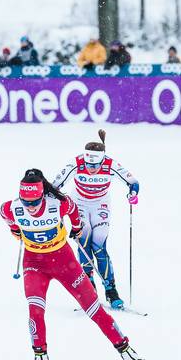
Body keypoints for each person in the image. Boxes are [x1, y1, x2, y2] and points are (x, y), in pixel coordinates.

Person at [0, 168, 155, 360]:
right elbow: (8, 219)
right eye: (26, 203)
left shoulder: (59, 203)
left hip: (64, 263)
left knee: (94, 310)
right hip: (34, 264)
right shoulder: (11, 207)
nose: (31, 207)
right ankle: (40, 358)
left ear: (42, 195)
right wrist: (16, 229)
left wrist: (77, 228)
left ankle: (128, 353)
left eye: (34, 202)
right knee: (35, 310)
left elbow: (73, 212)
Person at [51, 129, 139, 309]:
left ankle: (111, 290)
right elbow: (56, 184)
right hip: (79, 204)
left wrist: (133, 193)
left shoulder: (110, 164)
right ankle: (89, 287)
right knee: (84, 244)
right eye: (89, 166)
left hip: (101, 205)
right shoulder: (76, 163)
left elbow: (133, 181)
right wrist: (50, 196)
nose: (91, 170)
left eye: (95, 166)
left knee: (99, 246)